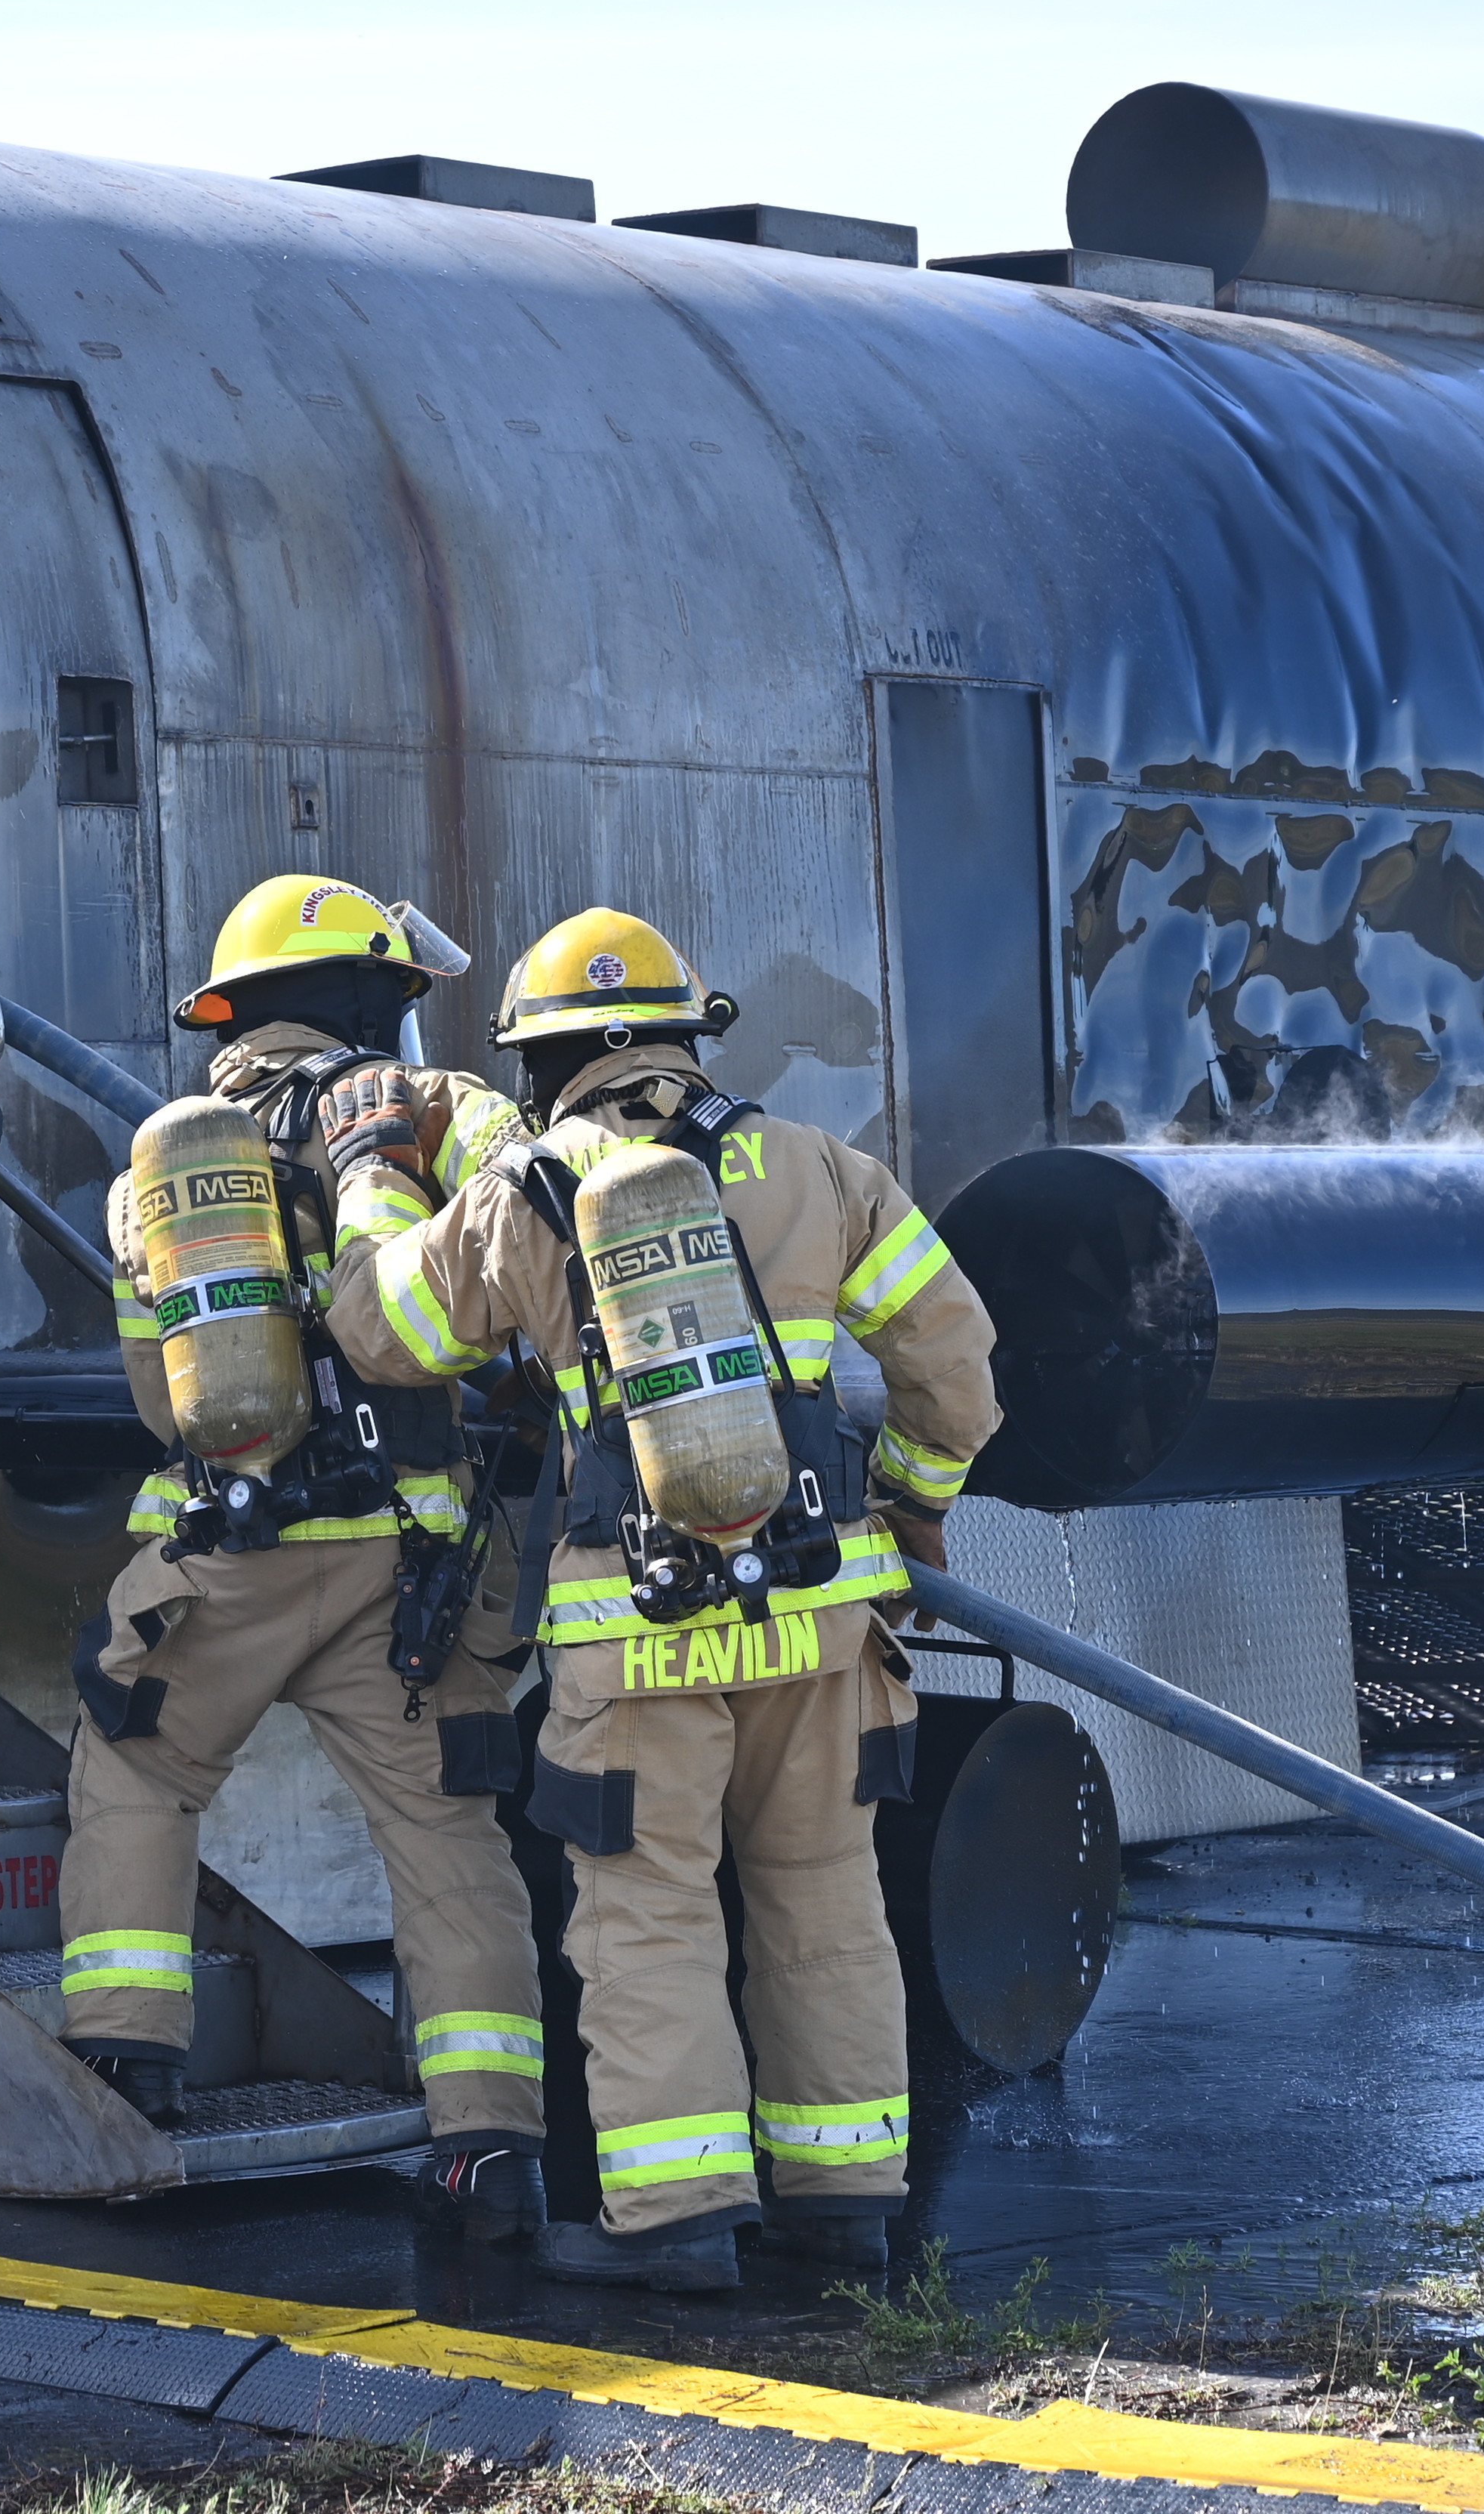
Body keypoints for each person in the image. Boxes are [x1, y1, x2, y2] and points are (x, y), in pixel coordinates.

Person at [322, 908, 997, 2290]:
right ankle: (847, 2201)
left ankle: (676, 2226)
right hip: (826, 1618)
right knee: (824, 1898)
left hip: (638, 1639)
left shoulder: (531, 1188)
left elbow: (374, 1333)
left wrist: (376, 1174)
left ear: (544, 1062)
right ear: (692, 1039)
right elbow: (959, 1366)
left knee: (648, 1915)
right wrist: (917, 1501)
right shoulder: (821, 1167)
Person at [57, 877, 554, 2240]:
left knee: (141, 1773)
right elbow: (551, 1218)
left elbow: (164, 1403)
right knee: (448, 1832)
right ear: (368, 997)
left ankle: (128, 2068)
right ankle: (490, 2144)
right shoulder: (438, 1108)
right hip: (415, 1561)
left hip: (229, 1552)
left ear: (239, 1012)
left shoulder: (160, 1174)